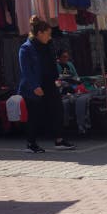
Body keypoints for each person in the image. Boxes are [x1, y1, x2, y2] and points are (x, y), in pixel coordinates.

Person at [17, 15, 76, 153]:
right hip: (34, 86)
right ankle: (31, 143)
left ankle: (59, 140)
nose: (50, 37)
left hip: (49, 83)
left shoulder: (48, 45)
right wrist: (35, 86)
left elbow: (51, 63)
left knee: (57, 110)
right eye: (48, 34)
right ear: (39, 33)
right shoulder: (26, 48)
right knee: (35, 115)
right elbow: (26, 70)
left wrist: (56, 78)